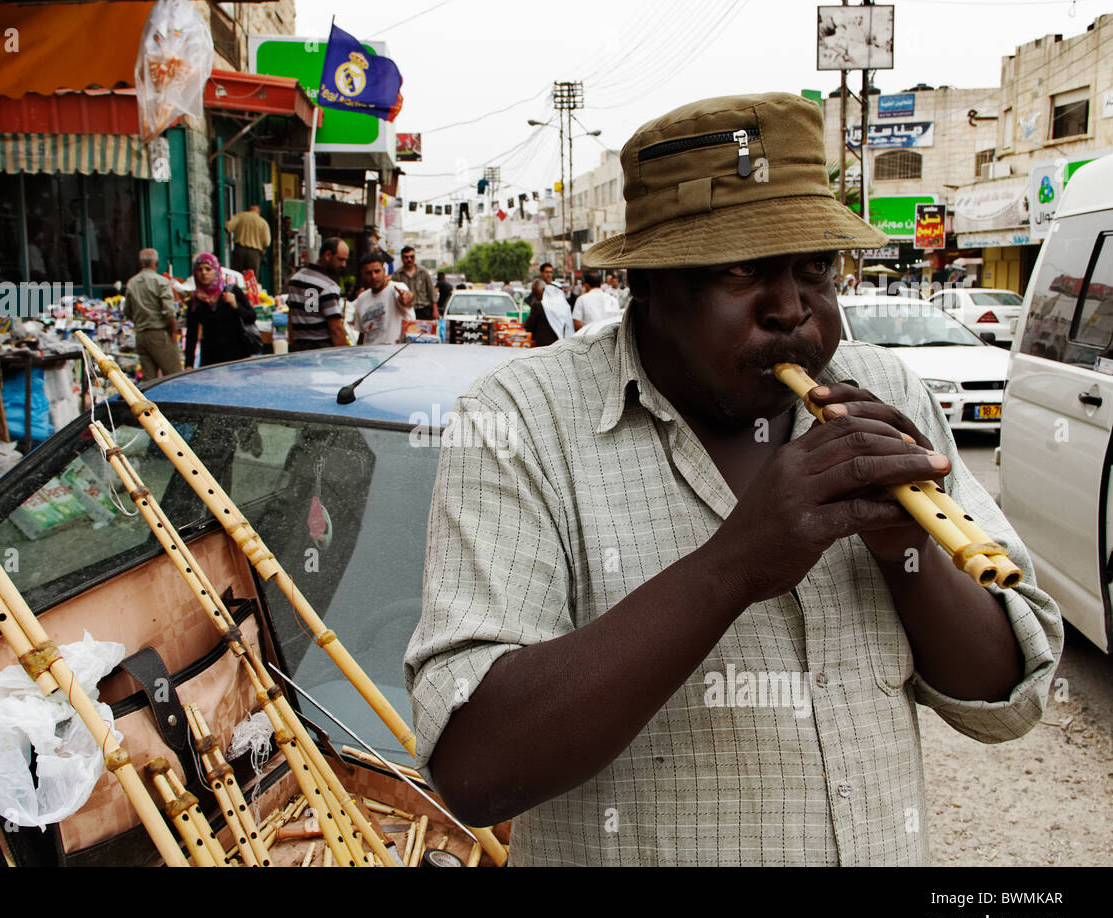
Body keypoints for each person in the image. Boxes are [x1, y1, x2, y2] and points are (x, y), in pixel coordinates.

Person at [404, 91, 1062, 867]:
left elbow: (1006, 703)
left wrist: (903, 553)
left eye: (815, 268)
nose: (791, 310)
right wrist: (738, 563)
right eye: (743, 269)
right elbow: (476, 771)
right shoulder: (522, 418)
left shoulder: (889, 392)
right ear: (646, 283)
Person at [183, 252, 261, 368]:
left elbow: (251, 317)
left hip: (236, 356)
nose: (204, 273)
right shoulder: (196, 301)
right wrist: (189, 364)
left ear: (216, 270)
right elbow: (191, 334)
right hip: (211, 359)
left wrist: (235, 305)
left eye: (208, 269)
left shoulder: (232, 291)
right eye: (200, 269)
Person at [123, 248, 180, 380]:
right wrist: (173, 331)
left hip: (141, 335)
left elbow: (127, 311)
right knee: (174, 377)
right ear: (157, 263)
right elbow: (169, 311)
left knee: (150, 381)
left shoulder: (132, 283)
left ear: (141, 263)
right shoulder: (161, 281)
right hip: (159, 334)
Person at [286, 237, 350, 351]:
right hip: (322, 352)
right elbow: (336, 329)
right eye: (341, 259)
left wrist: (292, 344)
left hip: (299, 350)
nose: (344, 264)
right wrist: (346, 356)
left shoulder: (295, 279)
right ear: (328, 255)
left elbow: (292, 316)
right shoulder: (328, 286)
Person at [353, 253, 414, 345]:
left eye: (377, 271)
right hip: (370, 355)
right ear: (363, 274)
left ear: (384, 270)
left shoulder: (396, 288)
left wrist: (406, 298)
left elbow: (406, 299)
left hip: (394, 354)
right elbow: (362, 335)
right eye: (369, 273)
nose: (373, 276)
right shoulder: (361, 298)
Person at [391, 245, 439, 327]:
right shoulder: (397, 275)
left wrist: (435, 310)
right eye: (406, 257)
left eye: (411, 257)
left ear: (415, 257)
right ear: (402, 258)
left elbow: (431, 291)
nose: (409, 259)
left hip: (424, 311)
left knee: (424, 336)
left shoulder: (423, 272)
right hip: (406, 312)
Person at [224, 204, 271, 278]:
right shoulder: (263, 222)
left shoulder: (240, 216)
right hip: (254, 254)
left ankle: (235, 289)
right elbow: (267, 242)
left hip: (239, 250)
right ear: (258, 212)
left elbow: (228, 227)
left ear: (248, 210)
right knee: (252, 278)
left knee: (235, 275)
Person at [522, 278, 558, 347]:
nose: (536, 298)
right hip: (556, 344)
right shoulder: (558, 305)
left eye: (537, 294)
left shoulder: (538, 305)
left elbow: (529, 327)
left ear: (544, 290)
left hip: (541, 345)